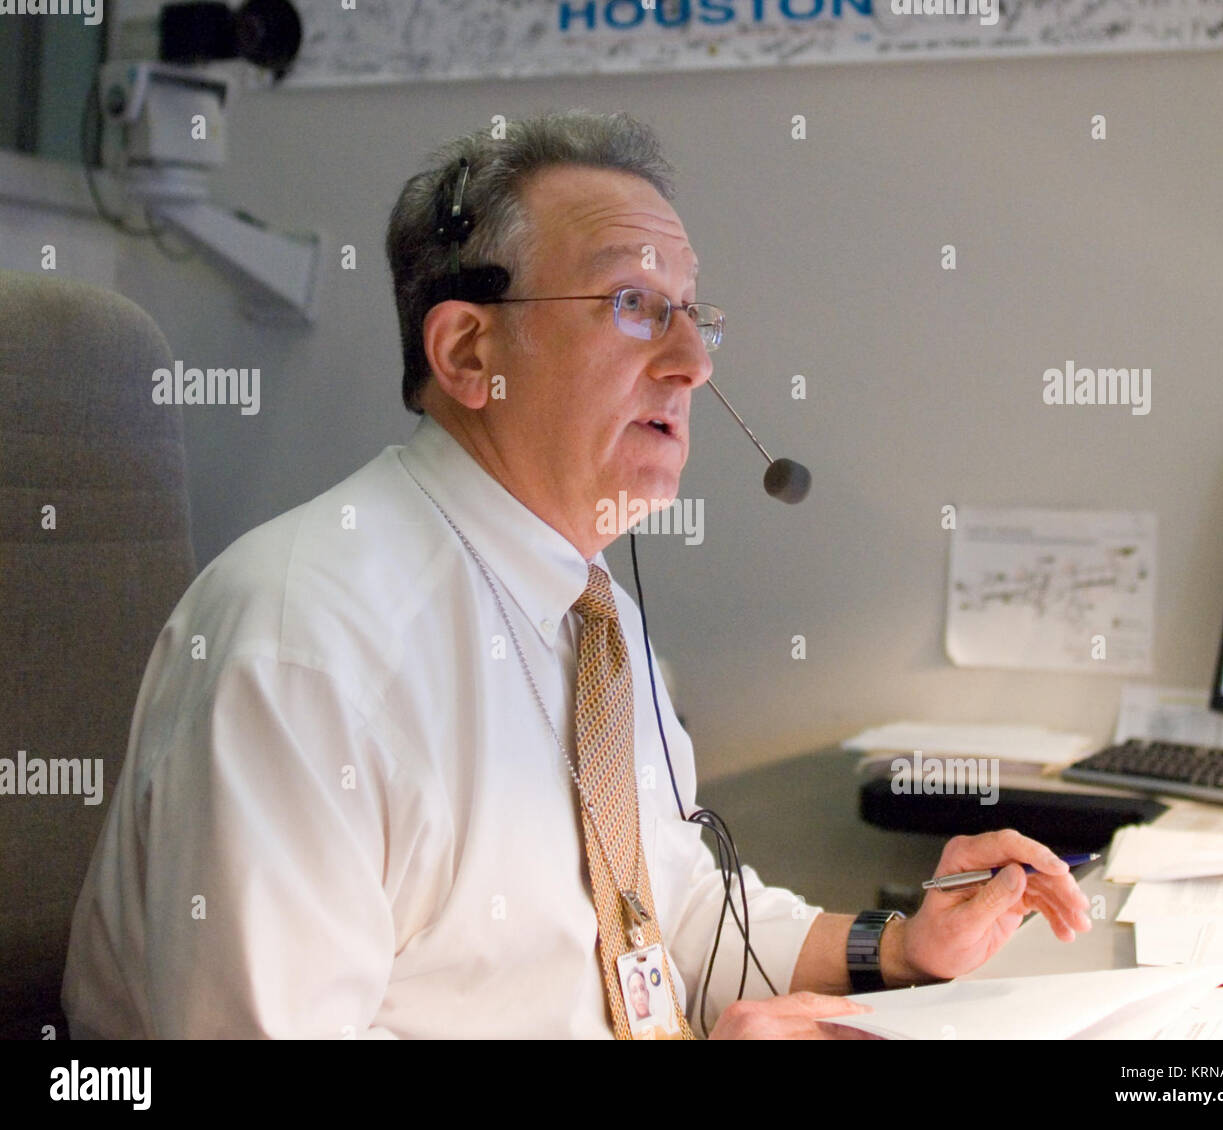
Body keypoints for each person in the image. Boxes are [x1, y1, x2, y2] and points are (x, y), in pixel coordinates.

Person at [61, 109, 1091, 1040]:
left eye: (695, 312)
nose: (694, 361)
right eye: (634, 303)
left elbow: (664, 917)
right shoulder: (304, 646)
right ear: (469, 350)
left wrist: (899, 945)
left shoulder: (592, 614)